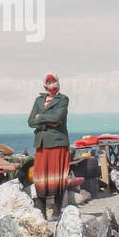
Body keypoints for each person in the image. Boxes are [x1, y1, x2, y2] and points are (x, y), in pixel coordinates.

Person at [28, 73, 70, 217]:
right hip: (41, 143)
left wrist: (40, 117)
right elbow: (30, 121)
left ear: (58, 83)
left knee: (57, 176)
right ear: (45, 84)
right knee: (40, 177)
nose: (52, 84)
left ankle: (57, 211)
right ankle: (42, 211)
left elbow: (58, 117)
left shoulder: (63, 99)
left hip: (57, 142)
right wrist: (49, 121)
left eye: (54, 81)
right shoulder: (39, 100)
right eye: (49, 82)